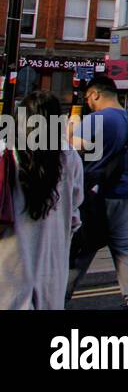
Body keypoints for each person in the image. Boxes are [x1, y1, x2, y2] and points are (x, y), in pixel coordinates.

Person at [66, 78, 128, 308]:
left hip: (96, 195)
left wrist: (70, 128)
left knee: (83, 247)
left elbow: (73, 149)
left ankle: (60, 295)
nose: (88, 103)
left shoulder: (96, 119)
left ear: (95, 94)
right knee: (125, 247)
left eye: (87, 99)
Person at [0, 92, 84, 310]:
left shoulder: (6, 153)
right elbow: (74, 216)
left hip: (8, 269)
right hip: (51, 273)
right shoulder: (70, 156)